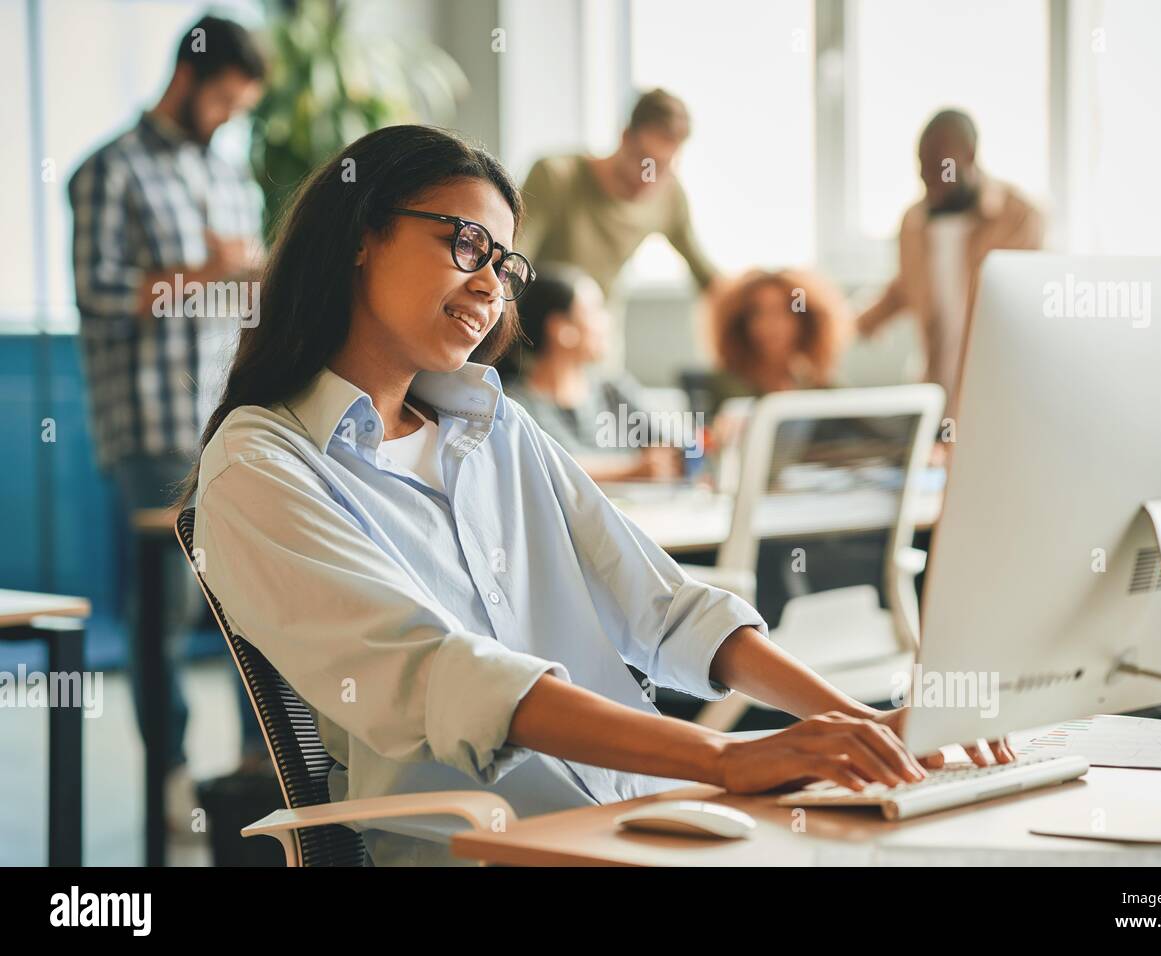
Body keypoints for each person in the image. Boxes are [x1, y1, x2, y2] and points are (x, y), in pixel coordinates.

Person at [185, 124, 1013, 866]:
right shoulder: (260, 468)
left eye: (505, 266)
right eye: (467, 244)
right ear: (362, 235)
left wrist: (862, 732)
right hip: (482, 847)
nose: (490, 288)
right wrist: (725, 761)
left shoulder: (493, 428)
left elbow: (667, 609)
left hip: (634, 816)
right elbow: (446, 675)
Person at [68, 15, 267, 817]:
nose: (227, 116)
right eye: (221, 97)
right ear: (187, 78)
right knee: (167, 606)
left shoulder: (231, 178)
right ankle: (171, 777)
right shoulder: (106, 172)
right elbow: (101, 297)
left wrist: (249, 280)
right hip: (149, 423)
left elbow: (236, 295)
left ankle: (262, 768)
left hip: (225, 418)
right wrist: (201, 272)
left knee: (255, 590)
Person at [855, 109, 1044, 425]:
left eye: (938, 164)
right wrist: (839, 327)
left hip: (1001, 398)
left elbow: (1028, 303)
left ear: (969, 156)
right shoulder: (913, 223)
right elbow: (905, 287)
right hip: (937, 397)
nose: (927, 175)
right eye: (921, 164)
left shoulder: (1018, 215)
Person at [515, 89, 718, 299]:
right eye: (644, 160)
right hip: (537, 324)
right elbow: (513, 262)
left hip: (599, 325)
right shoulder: (555, 177)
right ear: (625, 138)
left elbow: (708, 277)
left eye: (663, 166)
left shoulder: (669, 198)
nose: (649, 178)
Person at [499, 263, 679, 483]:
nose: (607, 322)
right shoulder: (514, 406)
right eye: (596, 310)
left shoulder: (614, 390)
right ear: (561, 330)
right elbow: (542, 469)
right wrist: (631, 470)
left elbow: (673, 445)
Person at [702, 267, 848, 418]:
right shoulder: (726, 385)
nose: (770, 324)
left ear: (804, 320)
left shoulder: (821, 385)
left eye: (783, 311)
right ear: (741, 324)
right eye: (757, 313)